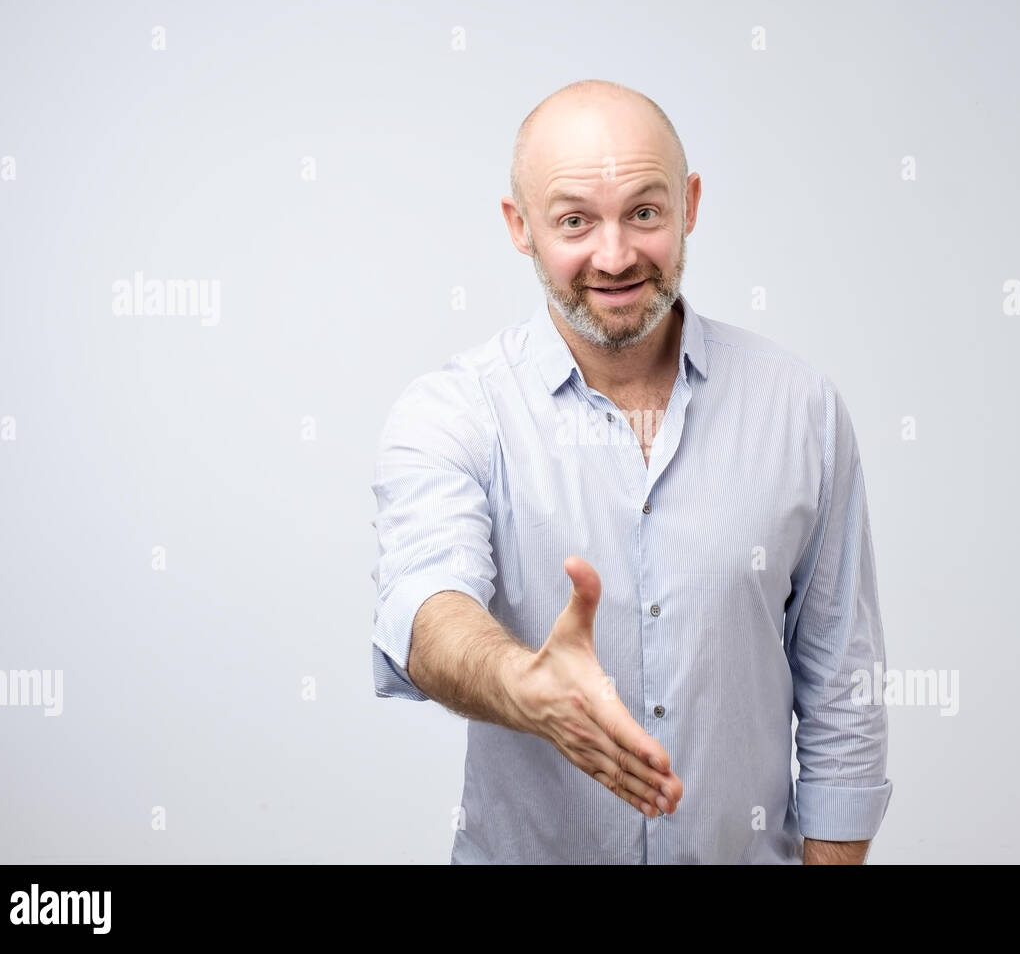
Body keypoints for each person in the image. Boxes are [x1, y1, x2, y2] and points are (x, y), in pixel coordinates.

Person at [369, 79, 893, 864]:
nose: (614, 257)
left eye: (644, 213)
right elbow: (427, 607)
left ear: (689, 205)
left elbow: (842, 684)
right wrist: (524, 686)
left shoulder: (801, 409)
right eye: (575, 220)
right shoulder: (454, 413)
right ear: (521, 226)